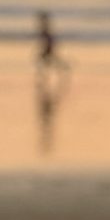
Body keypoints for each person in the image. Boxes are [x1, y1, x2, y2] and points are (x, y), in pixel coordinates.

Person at [33, 10, 71, 148]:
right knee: (49, 63)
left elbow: (48, 41)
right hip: (48, 49)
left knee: (48, 62)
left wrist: (46, 49)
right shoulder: (45, 29)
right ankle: (46, 78)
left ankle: (47, 77)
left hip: (48, 49)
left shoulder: (45, 29)